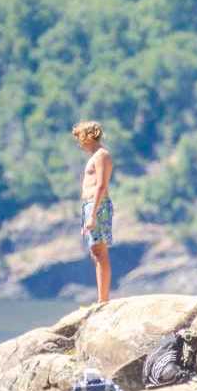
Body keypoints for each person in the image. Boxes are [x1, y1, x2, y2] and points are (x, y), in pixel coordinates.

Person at [72, 121, 114, 302]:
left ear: (88, 137)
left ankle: (103, 299)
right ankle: (101, 298)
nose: (79, 144)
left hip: (98, 205)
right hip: (90, 205)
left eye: (80, 138)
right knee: (95, 252)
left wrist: (92, 214)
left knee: (99, 252)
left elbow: (101, 185)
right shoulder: (95, 156)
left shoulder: (101, 155)